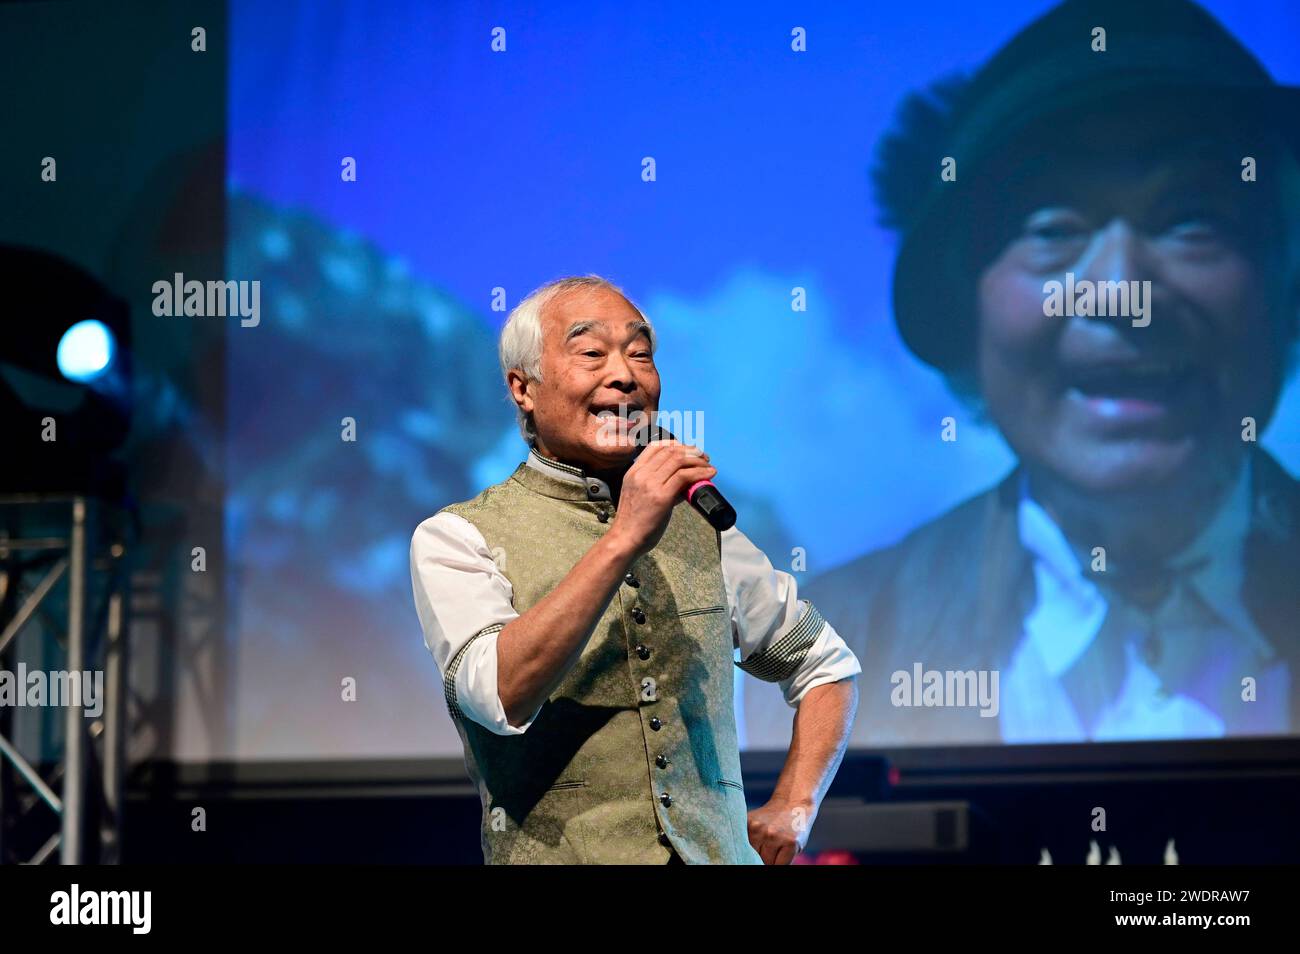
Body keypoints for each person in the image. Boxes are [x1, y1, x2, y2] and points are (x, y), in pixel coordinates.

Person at [804, 0, 1300, 745]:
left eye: (1193, 218)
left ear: (1283, 287)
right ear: (964, 310)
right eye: (1052, 228)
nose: (1119, 288)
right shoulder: (811, 658)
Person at [410, 275, 860, 863]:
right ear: (523, 388)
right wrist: (624, 536)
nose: (624, 375)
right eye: (591, 353)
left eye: (640, 354)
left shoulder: (703, 528)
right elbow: (500, 695)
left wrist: (795, 805)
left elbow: (826, 666)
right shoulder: (459, 537)